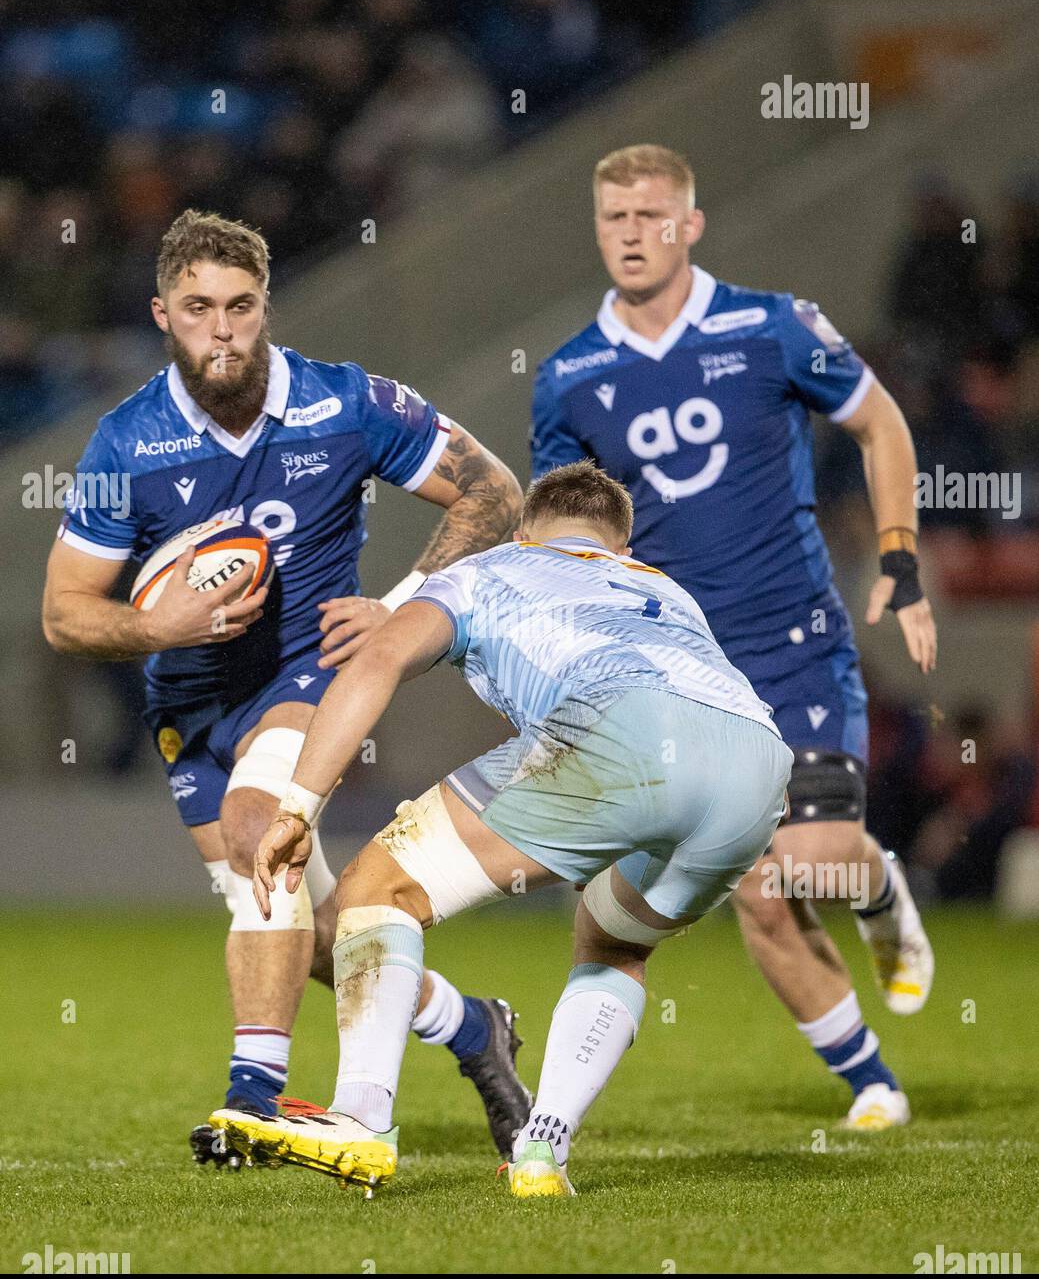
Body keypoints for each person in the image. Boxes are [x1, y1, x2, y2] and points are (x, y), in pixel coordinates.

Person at [41, 209, 531, 1163]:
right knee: (311, 934)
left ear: (265, 306)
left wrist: (397, 606)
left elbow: (495, 493)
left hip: (308, 676)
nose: (220, 329)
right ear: (161, 315)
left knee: (259, 826)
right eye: (196, 309)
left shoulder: (347, 403)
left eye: (239, 306)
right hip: (188, 709)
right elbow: (65, 613)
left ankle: (252, 1097)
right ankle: (476, 1030)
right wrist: (157, 628)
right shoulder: (123, 443)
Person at [212, 461, 793, 1198]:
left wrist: (298, 806)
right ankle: (541, 1149)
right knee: (613, 942)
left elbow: (380, 658)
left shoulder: (494, 566)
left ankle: (359, 1117)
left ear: (525, 532)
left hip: (616, 727)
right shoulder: (662, 587)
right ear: (619, 544)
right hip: (756, 763)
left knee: (377, 888)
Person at [530, 145, 937, 1130]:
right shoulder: (568, 378)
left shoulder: (772, 325)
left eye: (650, 216)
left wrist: (898, 558)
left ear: (690, 224)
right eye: (613, 219)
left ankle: (877, 885)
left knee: (817, 860)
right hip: (679, 676)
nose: (631, 235)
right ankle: (871, 1083)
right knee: (754, 894)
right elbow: (557, 531)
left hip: (792, 645)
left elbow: (880, 424)